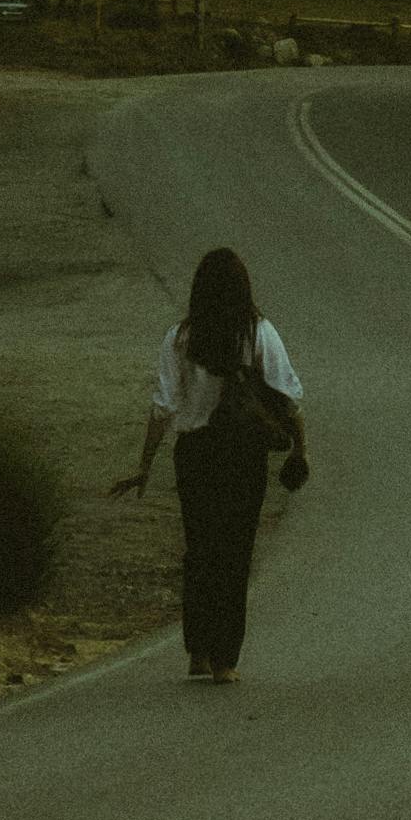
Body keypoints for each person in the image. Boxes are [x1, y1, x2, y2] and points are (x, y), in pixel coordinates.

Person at [125, 247, 307, 685]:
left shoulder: (179, 338)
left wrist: (144, 465)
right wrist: (302, 450)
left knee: (201, 550)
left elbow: (163, 408)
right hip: (243, 455)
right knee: (235, 553)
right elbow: (289, 397)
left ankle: (198, 651)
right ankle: (226, 659)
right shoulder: (259, 333)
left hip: (196, 455)